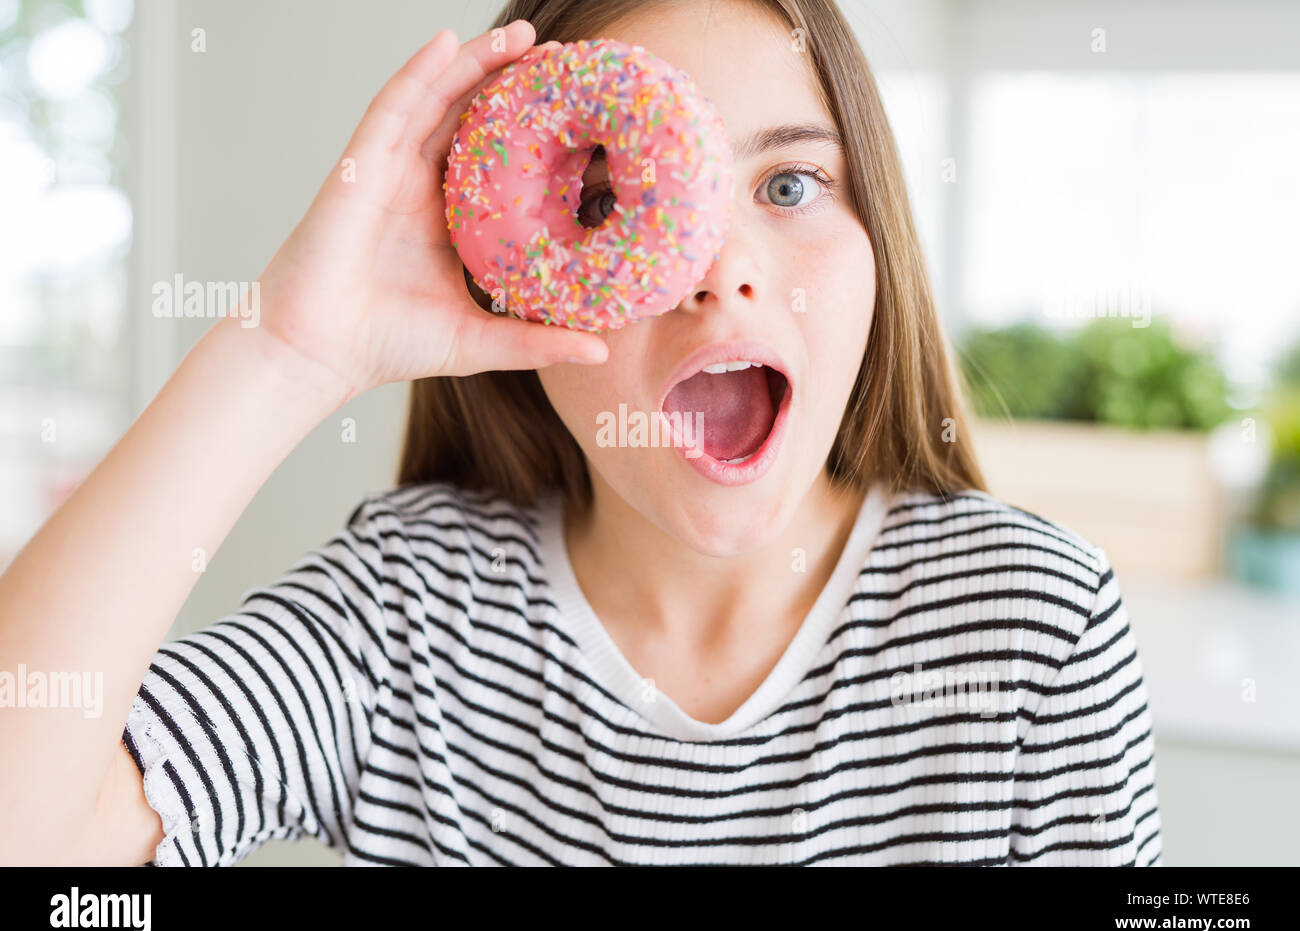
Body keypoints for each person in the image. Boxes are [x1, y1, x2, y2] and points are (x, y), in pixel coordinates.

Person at [0, 0, 1162, 866]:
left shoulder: (1028, 632)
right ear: (508, 281)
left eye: (791, 185)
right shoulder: (407, 617)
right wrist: (284, 353)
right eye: (606, 199)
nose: (720, 274)